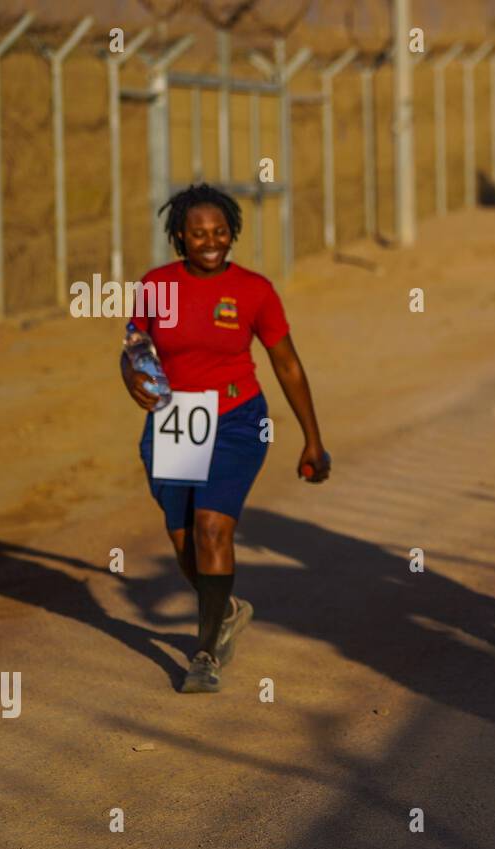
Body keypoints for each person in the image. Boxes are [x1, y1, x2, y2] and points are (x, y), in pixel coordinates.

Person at [121, 184, 331, 694]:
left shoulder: (255, 291)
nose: (210, 241)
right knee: (185, 543)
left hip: (237, 419)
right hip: (175, 421)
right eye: (198, 233)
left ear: (232, 233)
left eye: (219, 232)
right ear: (179, 237)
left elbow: (287, 364)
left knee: (213, 528)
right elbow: (135, 346)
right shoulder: (155, 287)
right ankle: (228, 610)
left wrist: (312, 439)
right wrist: (136, 378)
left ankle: (205, 651)